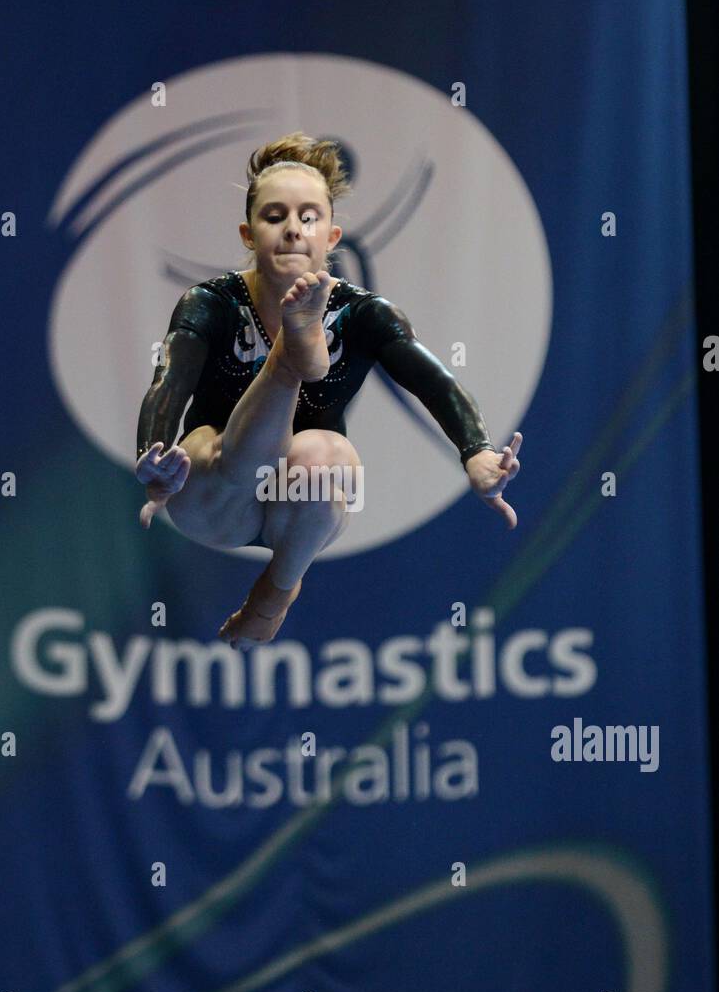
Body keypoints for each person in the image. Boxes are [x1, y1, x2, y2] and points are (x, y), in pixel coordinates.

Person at [136, 133, 522, 650]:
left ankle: (272, 595)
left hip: (305, 506)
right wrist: (155, 456)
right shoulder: (210, 302)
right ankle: (293, 355)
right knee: (207, 437)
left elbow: (434, 382)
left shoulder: (364, 313)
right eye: (275, 217)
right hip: (215, 494)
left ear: (332, 235)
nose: (293, 229)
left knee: (325, 451)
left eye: (309, 217)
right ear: (248, 234)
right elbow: (170, 378)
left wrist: (476, 454)